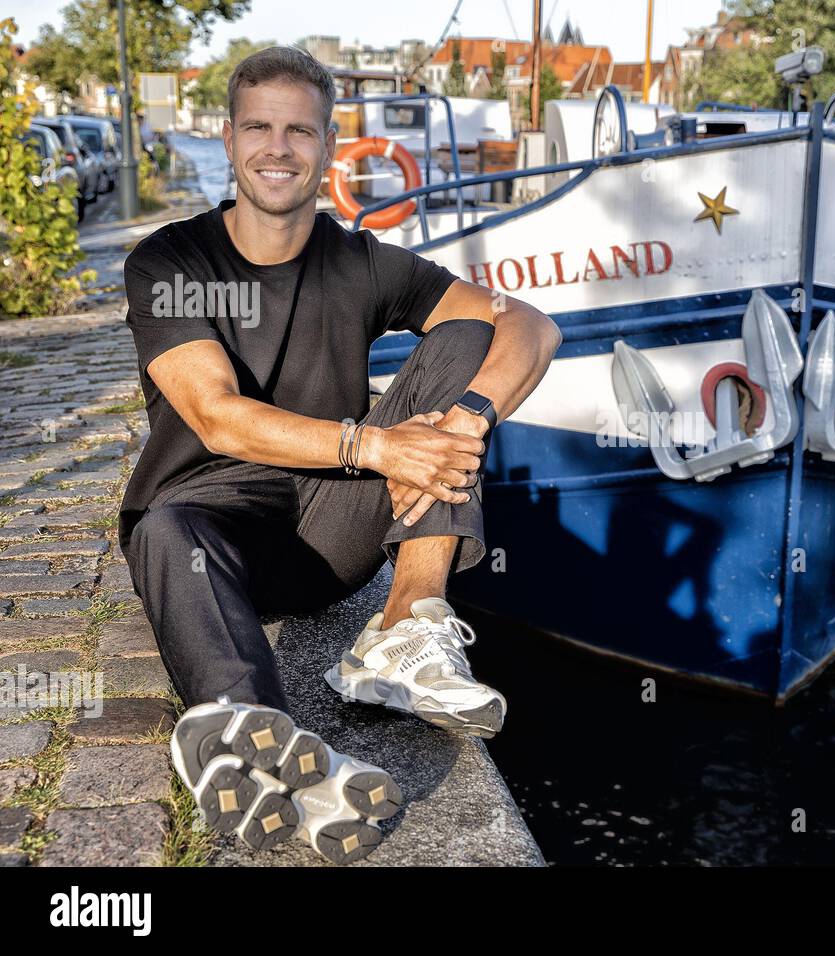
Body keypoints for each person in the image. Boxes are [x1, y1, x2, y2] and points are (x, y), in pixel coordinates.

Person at [119, 46, 561, 863]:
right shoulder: (172, 261)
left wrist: (467, 418)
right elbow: (217, 418)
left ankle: (406, 625)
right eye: (259, 126)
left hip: (331, 535)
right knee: (165, 529)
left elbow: (531, 323)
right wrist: (378, 445)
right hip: (211, 529)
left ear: (327, 145)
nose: (277, 148)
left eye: (299, 130)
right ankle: (262, 741)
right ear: (227, 138)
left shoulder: (357, 261)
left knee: (468, 333)